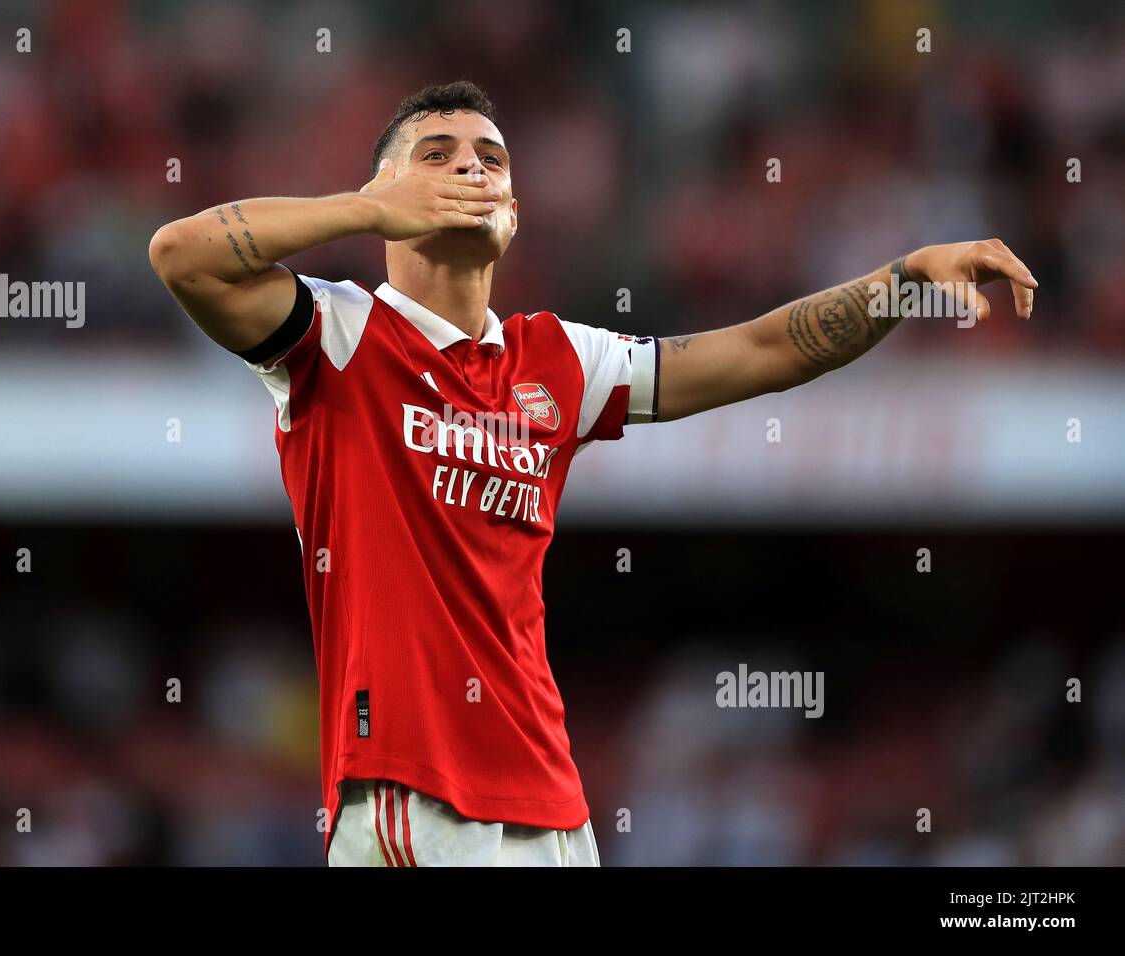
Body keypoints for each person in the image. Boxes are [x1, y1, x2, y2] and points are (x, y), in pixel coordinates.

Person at [148, 80, 1037, 866]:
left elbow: (764, 350)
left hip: (554, 808)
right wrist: (369, 206)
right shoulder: (337, 337)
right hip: (412, 803)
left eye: (490, 157)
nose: (470, 167)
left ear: (514, 211)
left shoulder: (560, 360)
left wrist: (908, 276)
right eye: (437, 154)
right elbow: (182, 254)